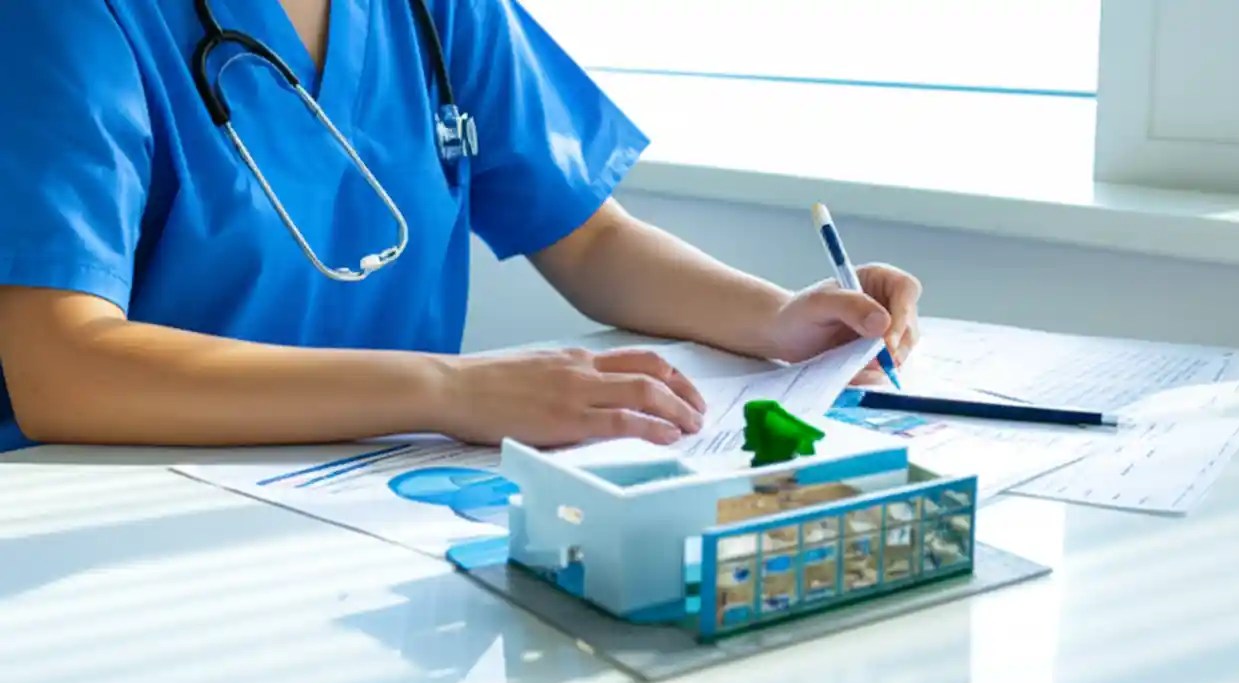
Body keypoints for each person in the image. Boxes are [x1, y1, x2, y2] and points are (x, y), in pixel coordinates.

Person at [0, 0, 922, 454]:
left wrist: (774, 317)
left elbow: (588, 236)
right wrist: (450, 391)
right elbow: (61, 369)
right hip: (116, 504)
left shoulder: (431, 9)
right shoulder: (66, 18)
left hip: (358, 501)